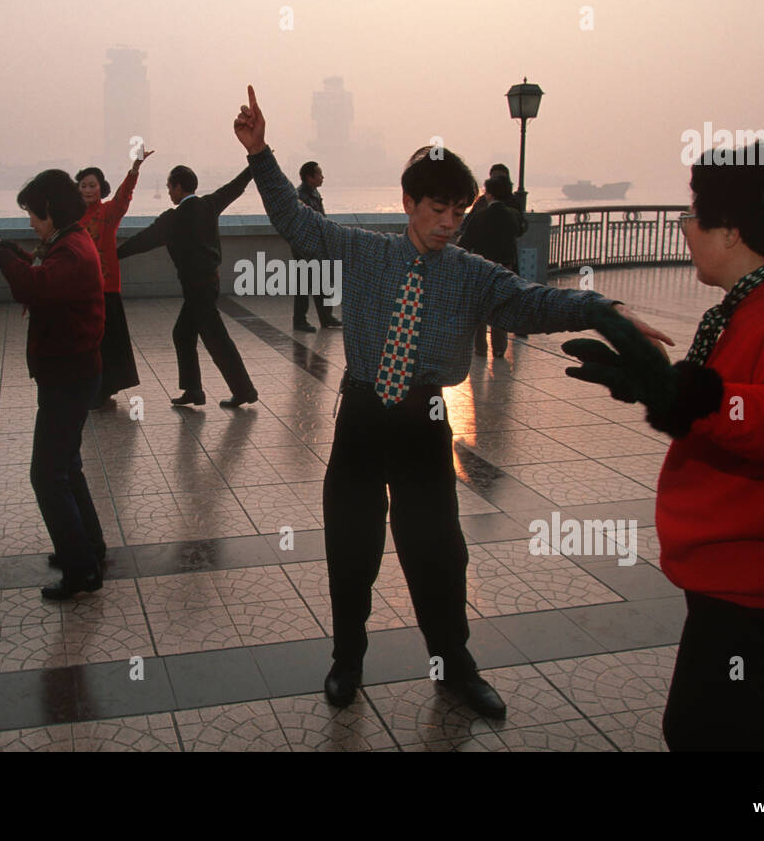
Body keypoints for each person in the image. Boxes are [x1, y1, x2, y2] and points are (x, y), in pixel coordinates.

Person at [232, 85, 672, 719]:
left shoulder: (472, 274)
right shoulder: (362, 252)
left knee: (437, 551)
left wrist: (602, 309)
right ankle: (347, 659)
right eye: (438, 208)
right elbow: (297, 224)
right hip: (361, 416)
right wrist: (260, 153)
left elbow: (531, 301)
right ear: (408, 202)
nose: (450, 222)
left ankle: (454, 667)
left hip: (425, 421)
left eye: (459, 211)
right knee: (352, 545)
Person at [562, 146, 764, 752]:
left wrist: (698, 398)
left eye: (695, 214)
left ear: (732, 230)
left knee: (708, 738)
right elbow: (728, 405)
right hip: (742, 595)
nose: (684, 225)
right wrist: (656, 387)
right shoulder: (756, 308)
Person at [0, 170, 108, 598]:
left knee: (46, 474)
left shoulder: (71, 249)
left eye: (33, 214)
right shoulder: (69, 240)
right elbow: (41, 268)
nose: (32, 223)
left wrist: (1, 258)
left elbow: (34, 286)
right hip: (72, 371)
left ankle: (81, 572)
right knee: (67, 466)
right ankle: (88, 547)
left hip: (68, 376)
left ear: (49, 209)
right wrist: (11, 251)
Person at [116, 163, 258, 408]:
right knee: (183, 334)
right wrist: (253, 166)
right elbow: (235, 187)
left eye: (170, 187)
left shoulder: (172, 219)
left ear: (179, 188)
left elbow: (140, 242)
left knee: (217, 341)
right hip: (209, 285)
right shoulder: (209, 205)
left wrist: (110, 256)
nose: (169, 192)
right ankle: (194, 390)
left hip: (197, 290)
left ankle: (244, 391)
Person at [75, 152, 153, 408]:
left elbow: (124, 196)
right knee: (87, 342)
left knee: (107, 342)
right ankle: (89, 387)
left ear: (101, 188)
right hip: (81, 289)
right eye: (83, 185)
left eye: (92, 185)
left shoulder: (109, 212)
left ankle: (105, 388)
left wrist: (134, 169)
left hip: (106, 287)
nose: (88, 189)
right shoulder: (72, 221)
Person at [461, 174, 528, 357]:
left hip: (482, 269)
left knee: (480, 310)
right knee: (500, 308)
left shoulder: (481, 216)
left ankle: (480, 348)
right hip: (505, 268)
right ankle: (499, 348)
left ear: (488, 194)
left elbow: (465, 243)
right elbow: (521, 230)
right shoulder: (512, 215)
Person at [292, 161, 342, 332]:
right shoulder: (300, 196)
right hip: (304, 248)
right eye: (319, 174)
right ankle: (299, 320)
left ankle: (326, 317)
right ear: (309, 177)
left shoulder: (313, 193)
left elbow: (321, 219)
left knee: (322, 283)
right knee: (303, 285)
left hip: (317, 246)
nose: (322, 177)